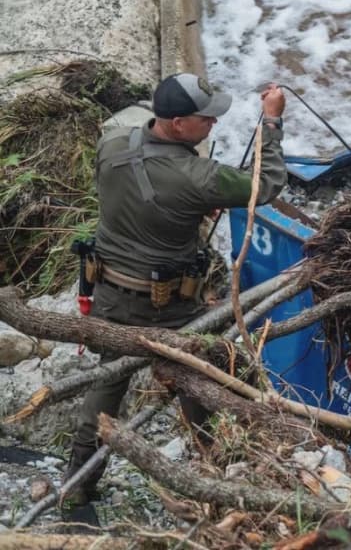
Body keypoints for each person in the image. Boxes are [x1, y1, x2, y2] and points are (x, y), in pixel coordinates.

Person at [63, 73, 288, 506]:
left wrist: (187, 204)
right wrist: (272, 122)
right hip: (168, 308)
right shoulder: (196, 176)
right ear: (179, 123)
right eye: (206, 119)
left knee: (107, 387)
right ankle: (215, 471)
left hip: (108, 294)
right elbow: (267, 185)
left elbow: (140, 195)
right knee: (204, 373)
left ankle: (76, 486)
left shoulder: (113, 143)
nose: (213, 125)